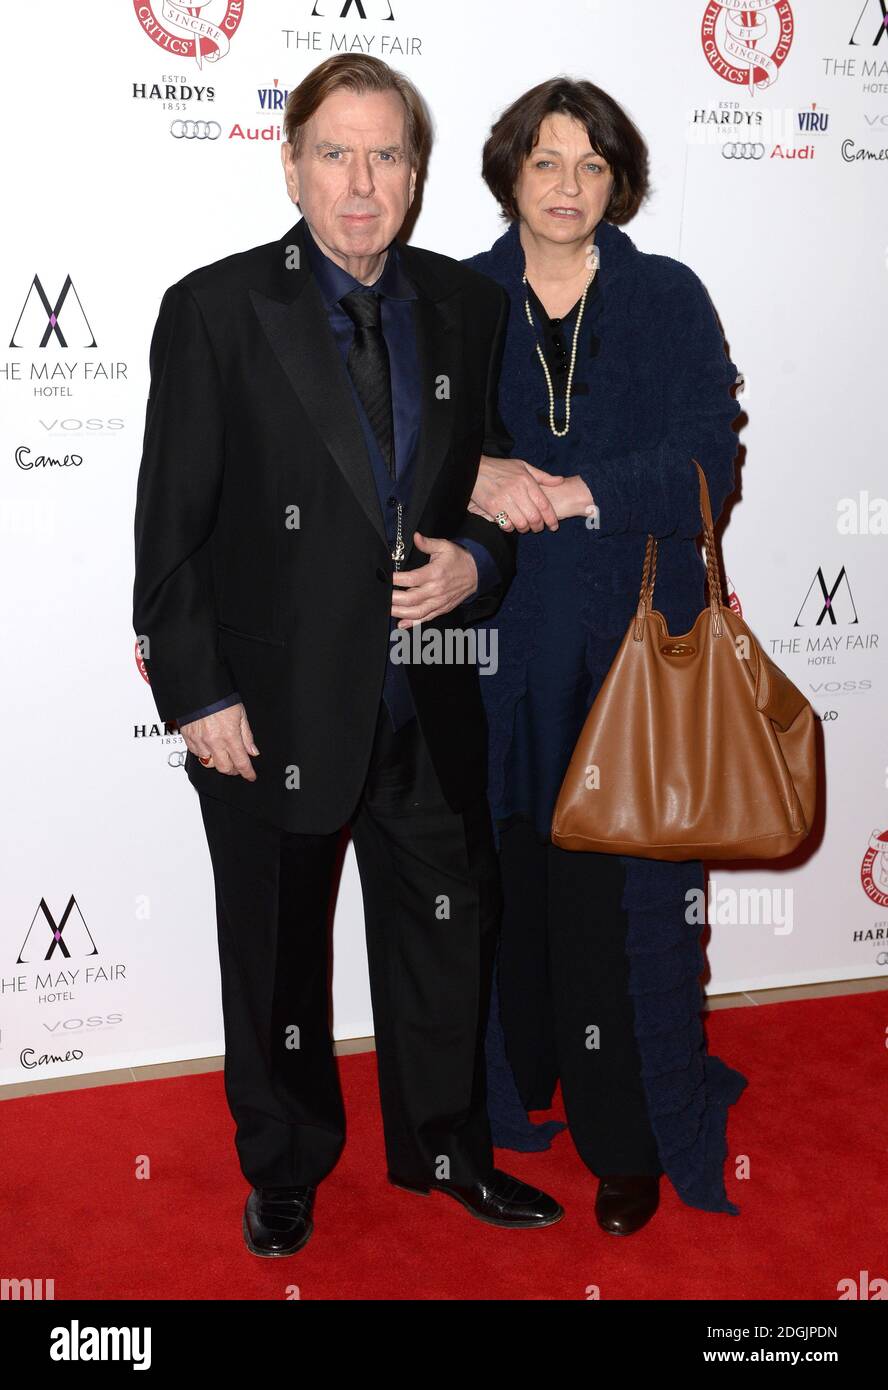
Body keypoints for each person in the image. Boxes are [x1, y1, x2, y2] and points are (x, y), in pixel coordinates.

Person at [132, 53, 563, 1258]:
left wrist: (479, 561)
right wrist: (196, 688)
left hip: (425, 699)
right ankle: (284, 1166)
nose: (361, 182)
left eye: (386, 155)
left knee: (445, 928)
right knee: (275, 957)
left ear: (416, 177)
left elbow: (484, 472)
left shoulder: (464, 306)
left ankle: (446, 1147)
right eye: (336, 152)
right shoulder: (216, 310)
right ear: (292, 163)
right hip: (264, 707)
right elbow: (169, 531)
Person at [463, 77, 749, 1235]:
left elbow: (706, 471)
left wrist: (584, 490)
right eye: (546, 161)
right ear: (512, 175)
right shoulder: (458, 298)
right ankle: (515, 1095)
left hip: (636, 655)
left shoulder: (668, 296)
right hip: (494, 654)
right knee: (508, 889)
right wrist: (480, 475)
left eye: (590, 164)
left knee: (619, 905)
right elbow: (414, 456)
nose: (568, 186)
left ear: (617, 180)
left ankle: (627, 1133)